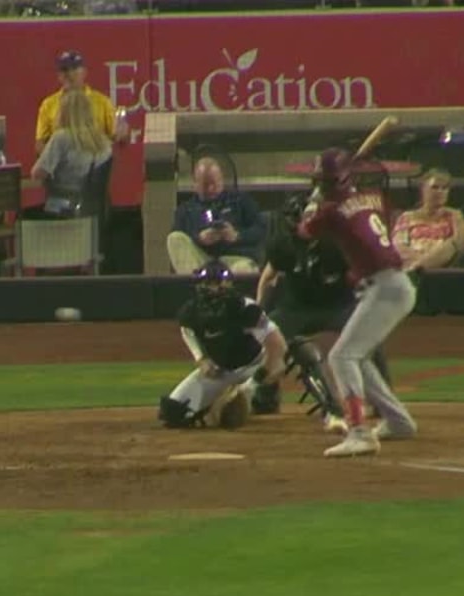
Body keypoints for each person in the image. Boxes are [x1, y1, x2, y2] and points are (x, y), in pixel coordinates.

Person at [299, 147, 419, 458]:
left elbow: (305, 231)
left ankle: (360, 432)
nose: (323, 185)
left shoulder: (329, 211)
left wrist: (312, 206)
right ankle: (398, 421)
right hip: (392, 285)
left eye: (325, 181)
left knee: (341, 357)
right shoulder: (375, 197)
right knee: (357, 356)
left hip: (385, 287)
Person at [251, 190, 394, 433]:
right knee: (267, 336)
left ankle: (383, 403)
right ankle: (265, 397)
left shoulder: (336, 242)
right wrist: (260, 310)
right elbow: (268, 277)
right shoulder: (283, 244)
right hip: (296, 308)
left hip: (339, 305)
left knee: (370, 339)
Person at [157, 261, 287, 430]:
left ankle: (264, 397)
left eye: (218, 283)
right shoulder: (191, 311)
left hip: (253, 366)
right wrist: (201, 359)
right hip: (220, 370)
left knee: (233, 414)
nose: (214, 288)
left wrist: (254, 384)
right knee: (173, 412)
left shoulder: (245, 308)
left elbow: (277, 347)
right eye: (209, 283)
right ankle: (214, 403)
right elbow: (187, 332)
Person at [166, 156, 265, 274]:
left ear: (222, 180)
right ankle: (196, 285)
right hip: (201, 260)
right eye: (205, 184)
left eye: (214, 183)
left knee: (243, 270)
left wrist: (237, 236)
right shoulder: (186, 210)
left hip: (236, 258)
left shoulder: (241, 200)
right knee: (174, 237)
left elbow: (261, 230)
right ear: (195, 184)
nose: (211, 189)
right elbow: (178, 240)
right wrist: (199, 238)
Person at [30, 88, 112, 216]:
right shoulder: (104, 142)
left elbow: (37, 173)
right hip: (95, 210)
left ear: (63, 112)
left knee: (26, 214)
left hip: (64, 205)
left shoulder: (61, 138)